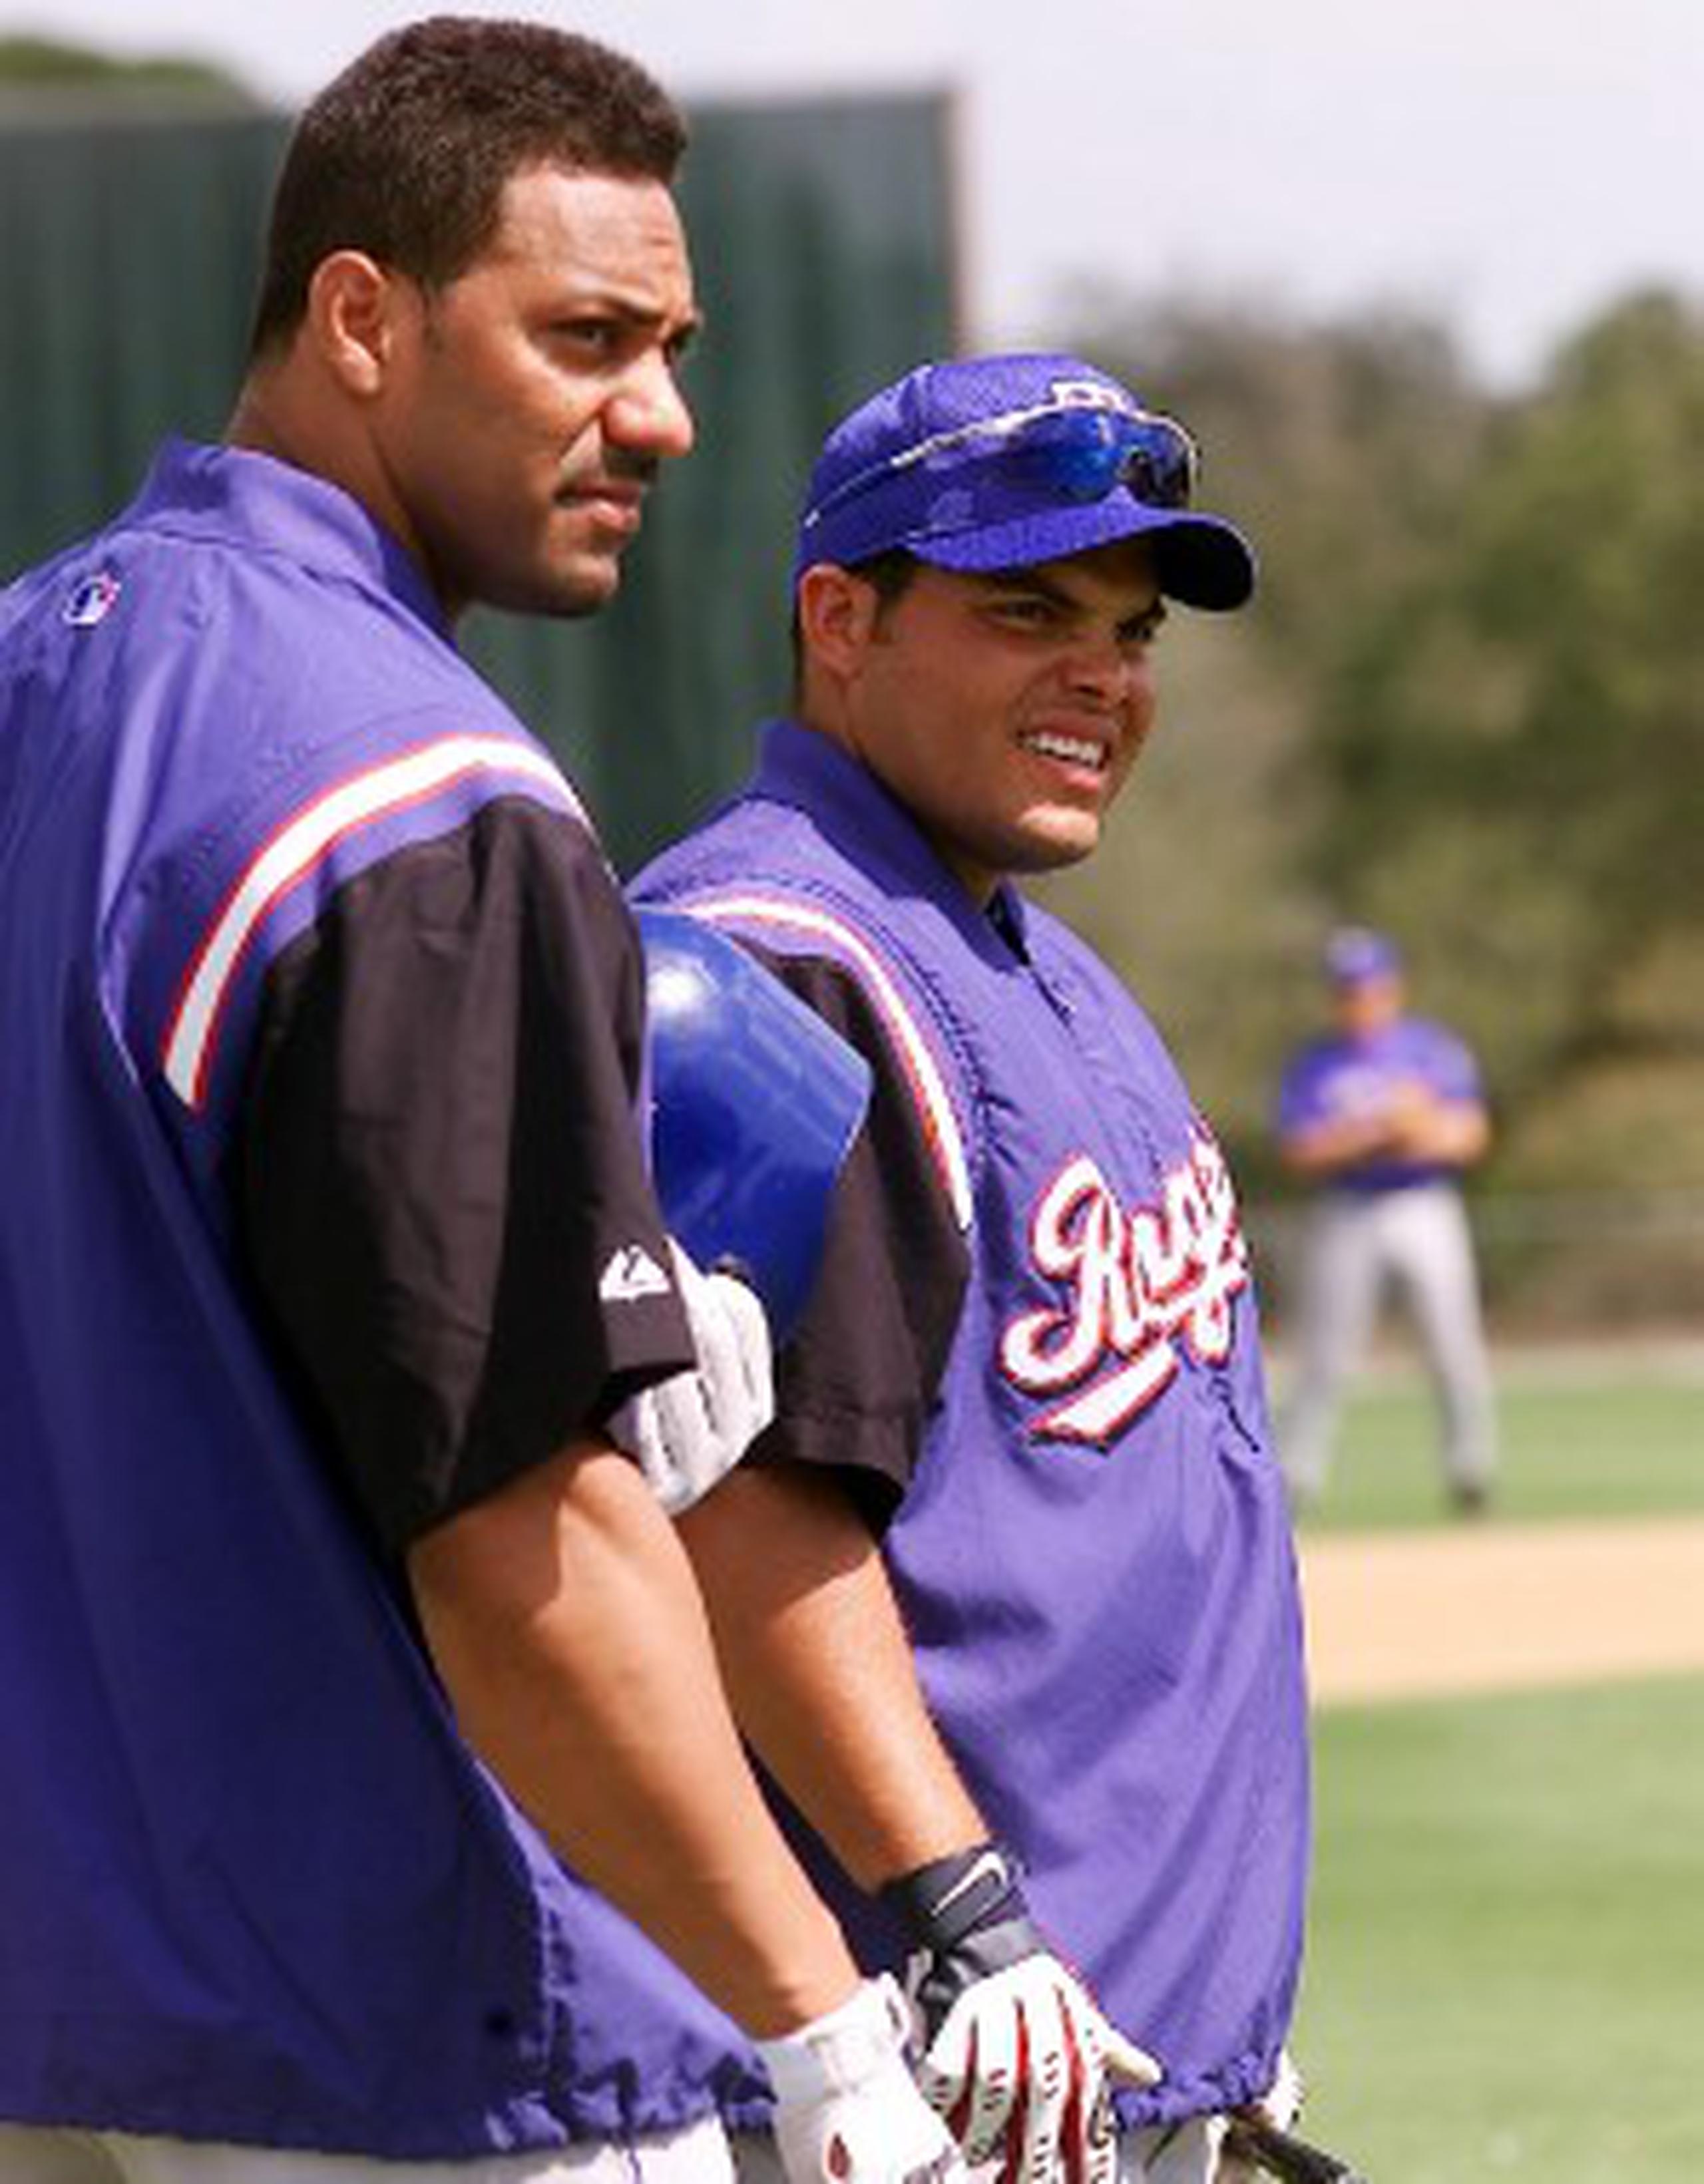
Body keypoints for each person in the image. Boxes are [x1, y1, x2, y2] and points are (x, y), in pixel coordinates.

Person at [0, 19, 960, 2183]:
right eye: (586, 338)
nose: (664, 416)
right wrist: (822, 2028)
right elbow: (521, 1537)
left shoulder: (37, 664)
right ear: (363, 317)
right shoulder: (412, 790)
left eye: (674, 349)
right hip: (392, 2024)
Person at [633, 352, 1313, 2183]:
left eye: (1130, 629)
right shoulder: (784, 959)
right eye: (1028, 610)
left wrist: (1213, 1987)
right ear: (839, 620)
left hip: (1098, 2045)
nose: (1103, 673)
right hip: (931, 2049)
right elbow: (728, 1503)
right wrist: (962, 1914)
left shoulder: (1023, 955)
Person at [1272, 925, 1498, 1513]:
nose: (1359, 1000)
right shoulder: (1316, 1063)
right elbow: (1299, 1151)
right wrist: (1373, 1134)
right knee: (1324, 1353)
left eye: (1368, 987)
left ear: (1393, 987)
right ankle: (1296, 1475)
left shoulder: (1430, 1050)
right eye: (1347, 990)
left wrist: (1415, 1130)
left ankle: (1470, 1468)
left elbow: (1469, 1135)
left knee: (1454, 1344)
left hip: (1424, 1204)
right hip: (1347, 1209)